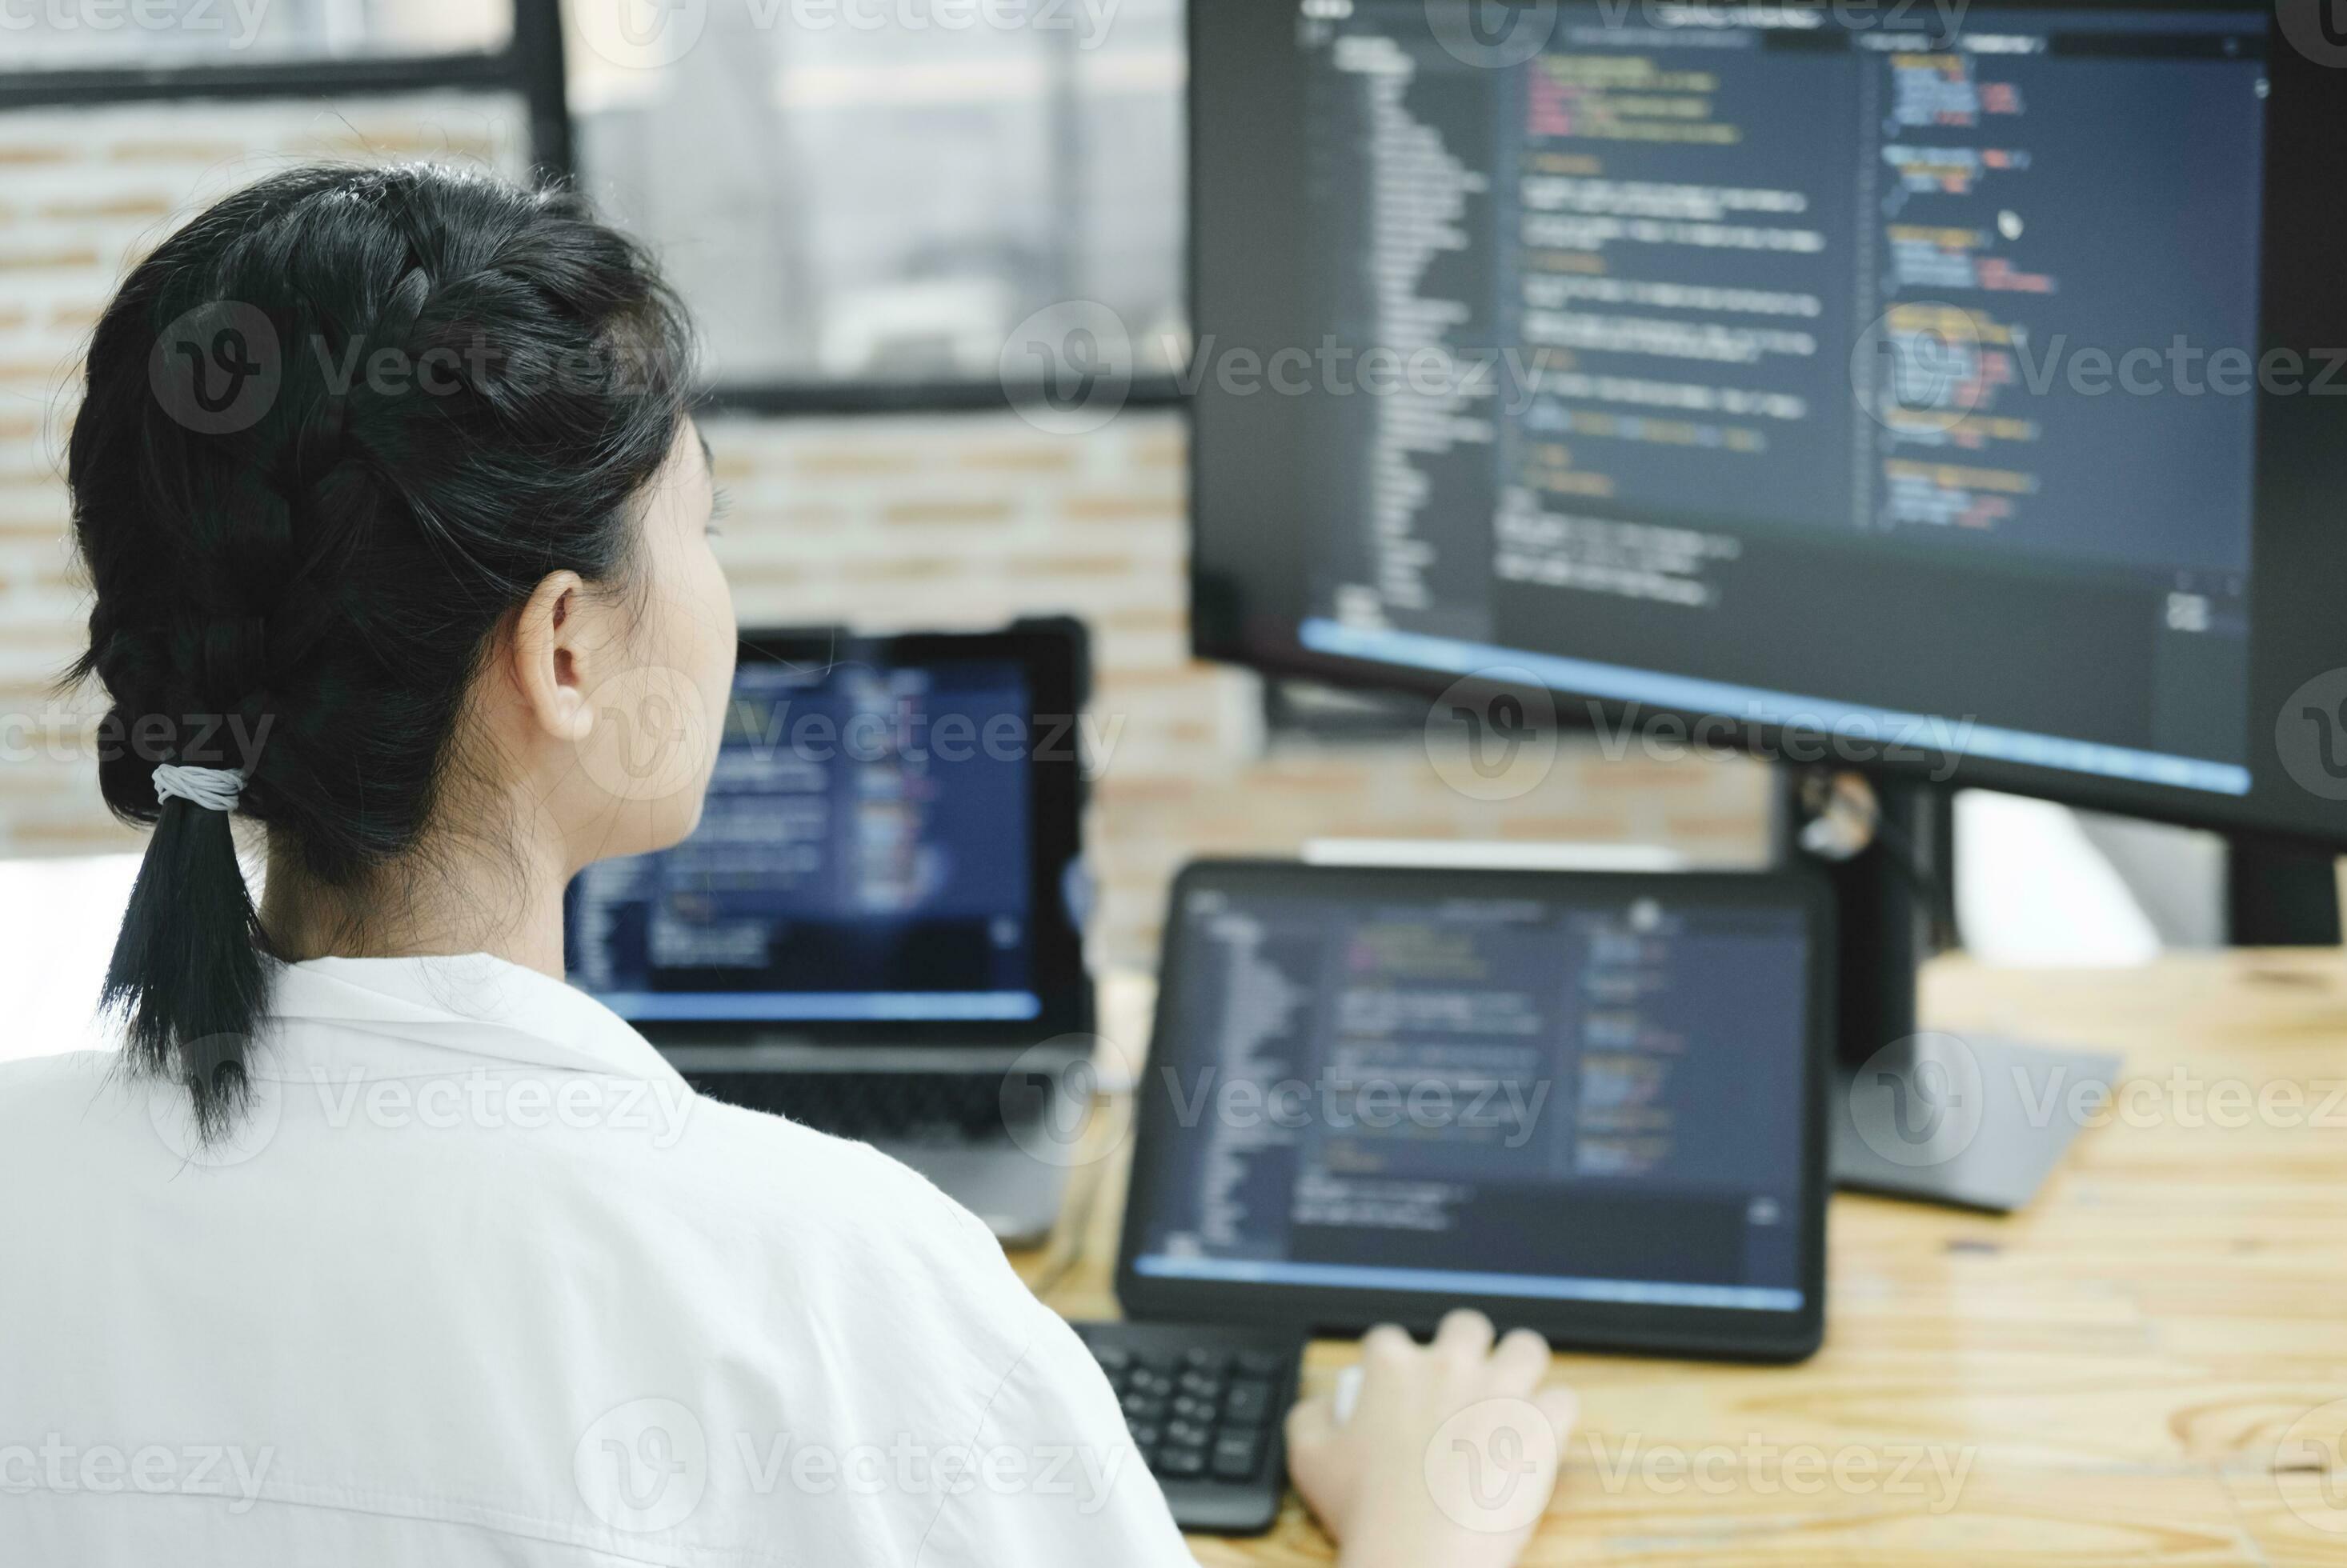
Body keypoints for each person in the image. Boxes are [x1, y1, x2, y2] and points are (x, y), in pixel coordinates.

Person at [0, 164, 1577, 1566]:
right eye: (705, 522)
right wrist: (1428, 1524)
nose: (721, 589)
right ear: (562, 646)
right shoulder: (843, 1284)